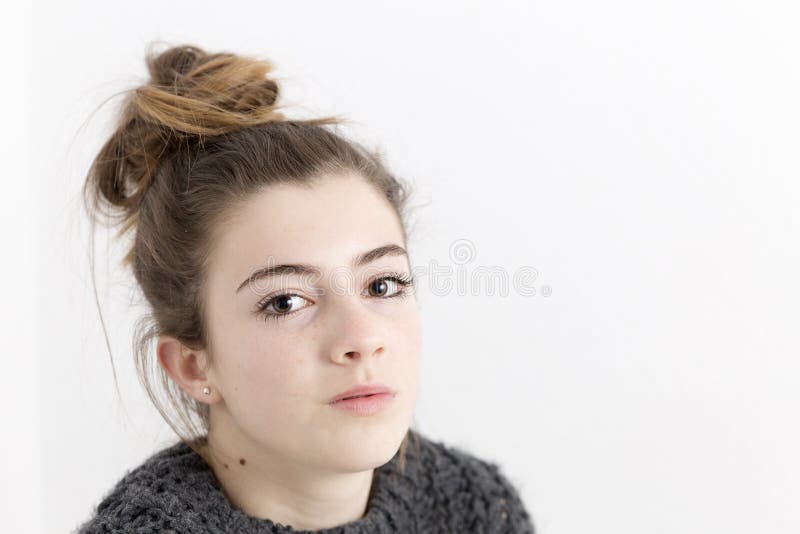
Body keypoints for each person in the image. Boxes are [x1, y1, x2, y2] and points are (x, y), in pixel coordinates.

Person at [75, 42, 536, 533]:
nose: (362, 339)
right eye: (286, 301)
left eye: (382, 285)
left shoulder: (477, 511)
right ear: (192, 365)